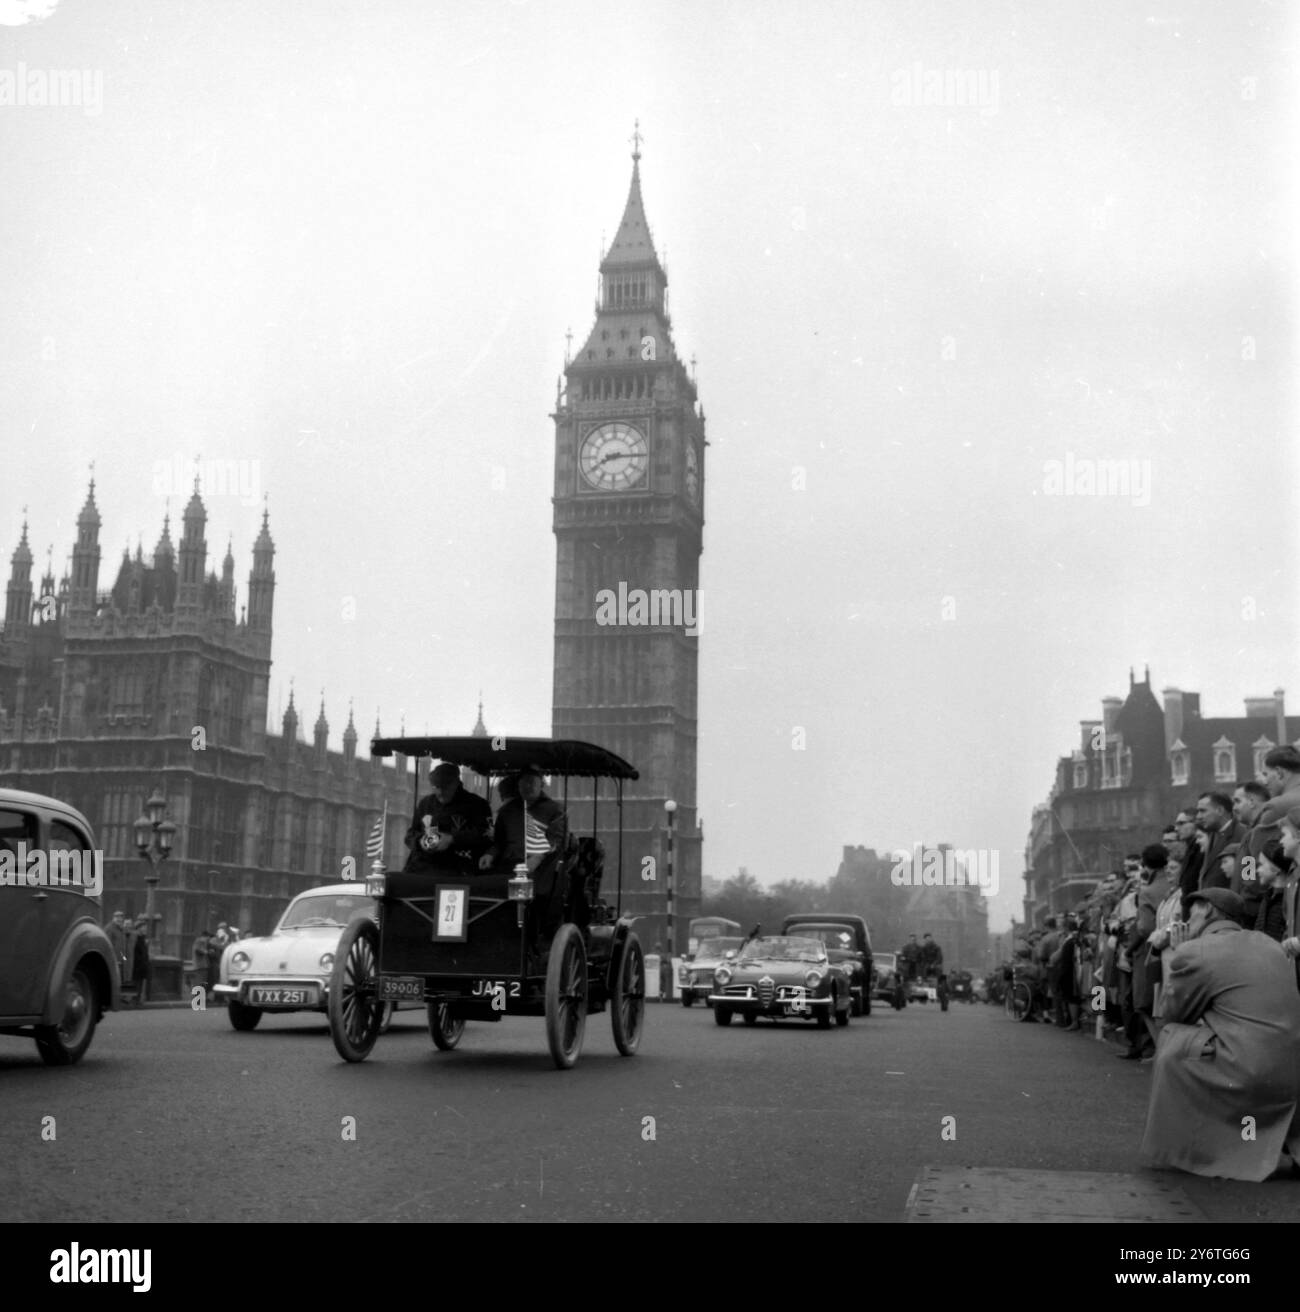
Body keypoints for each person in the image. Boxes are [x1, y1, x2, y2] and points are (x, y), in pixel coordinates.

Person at [1139, 888, 1300, 1181]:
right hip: (1291, 1070)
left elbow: (1174, 1015)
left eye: (1194, 909)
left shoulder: (1194, 951)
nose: (1187, 917)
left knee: (1173, 1038)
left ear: (1209, 911)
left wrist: (1177, 957)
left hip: (1246, 1072)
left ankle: (1196, 1146)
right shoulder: (1269, 944)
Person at [404, 762, 494, 873]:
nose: (440, 793)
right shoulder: (426, 804)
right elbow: (410, 834)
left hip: (460, 869)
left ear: (456, 783)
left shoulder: (477, 805)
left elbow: (487, 836)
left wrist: (452, 839)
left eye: (445, 788)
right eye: (436, 787)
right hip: (423, 867)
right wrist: (420, 841)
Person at [480, 766, 569, 870]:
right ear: (518, 786)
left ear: (541, 785)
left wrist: (538, 857)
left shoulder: (555, 810)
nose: (527, 786)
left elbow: (557, 842)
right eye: (523, 783)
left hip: (542, 869)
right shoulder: (507, 811)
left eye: (532, 782)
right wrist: (490, 854)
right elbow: (499, 842)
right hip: (508, 866)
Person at [1195, 792, 1242, 892]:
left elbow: (1248, 877)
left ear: (1220, 810)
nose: (1198, 816)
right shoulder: (1213, 834)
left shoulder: (1243, 835)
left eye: (1203, 811)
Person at [131, 916, 152, 1006]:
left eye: (145, 928)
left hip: (142, 965)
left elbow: (144, 952)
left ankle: (138, 999)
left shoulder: (143, 938)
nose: (145, 929)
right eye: (143, 927)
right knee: (136, 983)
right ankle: (134, 999)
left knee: (140, 983)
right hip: (137, 965)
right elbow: (131, 952)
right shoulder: (135, 938)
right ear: (138, 928)